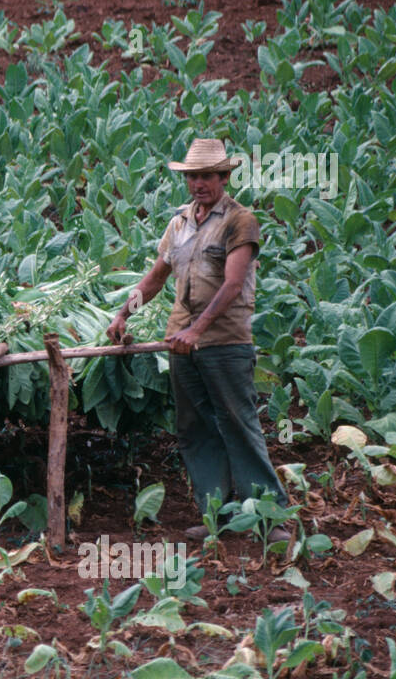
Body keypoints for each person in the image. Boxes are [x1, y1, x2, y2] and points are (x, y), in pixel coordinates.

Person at [106, 138, 289, 540]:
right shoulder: (180, 223)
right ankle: (217, 517)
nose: (198, 184)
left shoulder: (240, 221)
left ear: (224, 177)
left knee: (239, 425)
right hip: (181, 344)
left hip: (224, 343)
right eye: (192, 176)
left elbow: (234, 283)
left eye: (207, 176)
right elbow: (156, 278)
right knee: (195, 429)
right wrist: (123, 314)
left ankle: (269, 519)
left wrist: (198, 329)